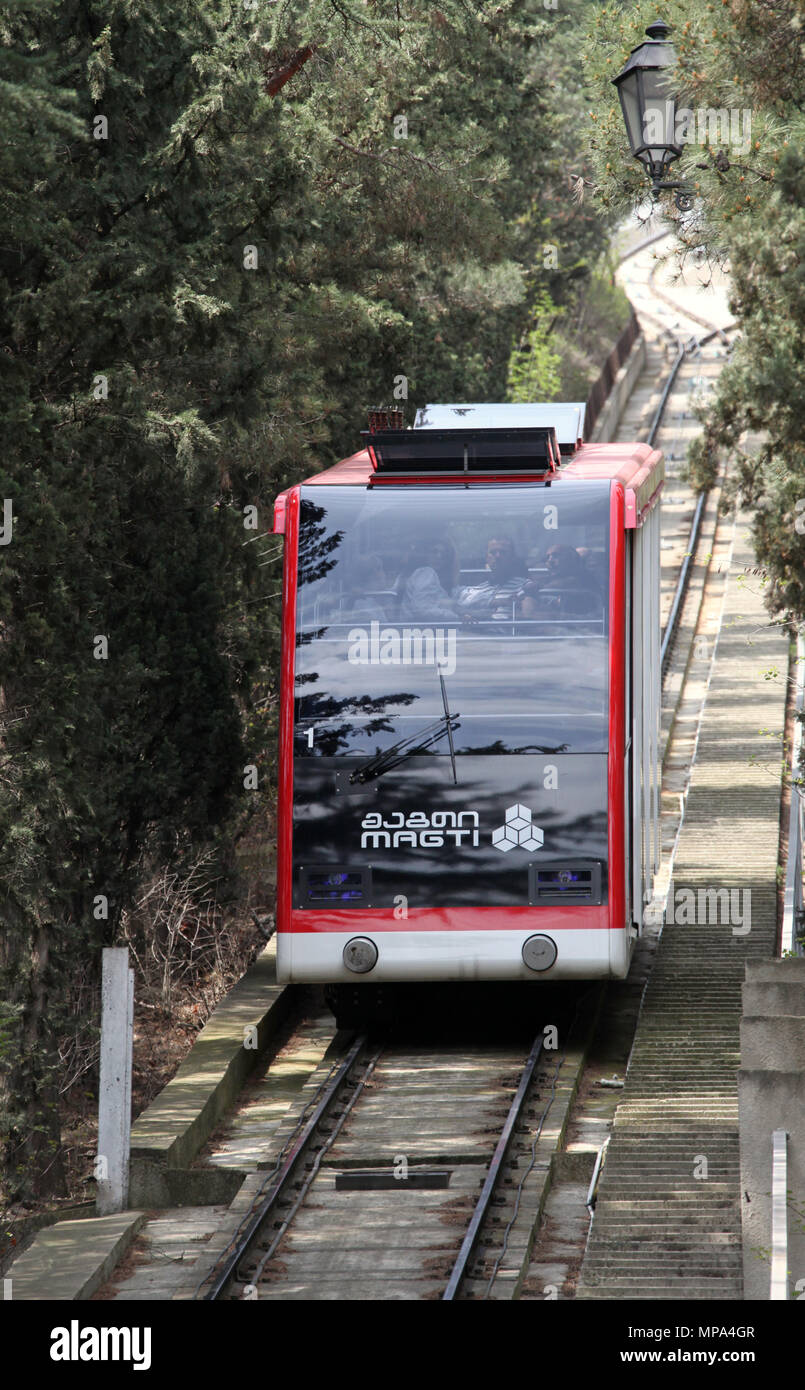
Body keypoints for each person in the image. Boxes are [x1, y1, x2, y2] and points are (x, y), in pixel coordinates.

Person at [454, 536, 526, 618]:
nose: (498, 556)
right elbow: (456, 608)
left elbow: (528, 618)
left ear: (512, 557)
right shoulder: (477, 590)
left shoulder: (525, 586)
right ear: (486, 558)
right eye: (493, 552)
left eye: (503, 552)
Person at [396, 538, 459, 620]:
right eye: (434, 551)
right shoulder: (426, 573)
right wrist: (455, 616)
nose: (439, 556)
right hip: (420, 627)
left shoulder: (425, 575)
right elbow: (422, 610)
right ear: (425, 553)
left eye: (444, 554)